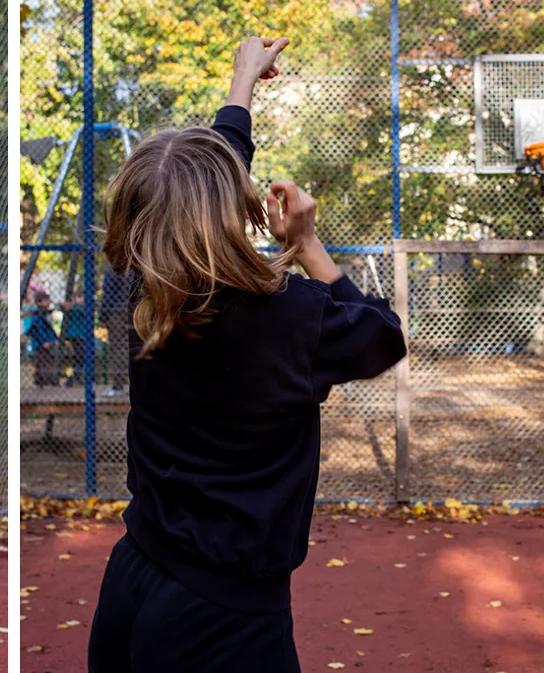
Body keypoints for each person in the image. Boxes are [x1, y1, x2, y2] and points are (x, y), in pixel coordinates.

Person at [87, 36, 407, 672]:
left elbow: (192, 183)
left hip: (132, 579)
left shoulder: (140, 290)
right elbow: (385, 336)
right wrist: (307, 245)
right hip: (222, 619)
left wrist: (243, 84)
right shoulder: (290, 316)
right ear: (230, 209)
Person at [99, 266, 133, 395]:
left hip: (116, 313)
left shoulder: (113, 267)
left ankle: (118, 386)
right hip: (133, 311)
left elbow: (108, 292)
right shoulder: (135, 266)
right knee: (133, 347)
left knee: (117, 348)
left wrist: (103, 315)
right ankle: (132, 384)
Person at [27, 290, 61, 386]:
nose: (48, 302)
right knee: (42, 361)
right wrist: (44, 341)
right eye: (45, 300)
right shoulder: (38, 314)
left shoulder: (47, 313)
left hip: (46, 340)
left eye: (48, 300)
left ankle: (43, 379)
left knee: (46, 360)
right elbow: (39, 329)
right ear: (39, 302)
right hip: (40, 342)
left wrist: (52, 339)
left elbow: (49, 328)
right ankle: (41, 380)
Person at [61, 289, 92, 385]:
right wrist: (66, 305)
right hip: (75, 336)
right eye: (79, 297)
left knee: (81, 357)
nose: (82, 299)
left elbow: (83, 311)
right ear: (75, 299)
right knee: (78, 356)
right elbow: (65, 308)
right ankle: (73, 378)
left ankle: (75, 377)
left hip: (82, 336)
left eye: (84, 297)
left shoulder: (85, 308)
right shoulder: (73, 308)